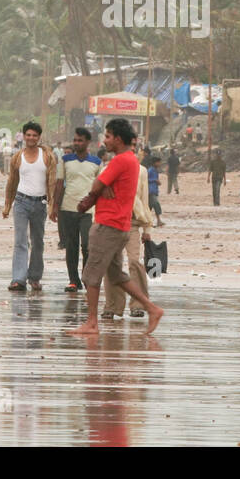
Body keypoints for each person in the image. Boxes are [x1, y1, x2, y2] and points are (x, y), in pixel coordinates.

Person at [67, 118, 164, 336]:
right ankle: (152, 308)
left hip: (108, 225)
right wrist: (103, 187)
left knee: (91, 274)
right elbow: (102, 184)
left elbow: (96, 184)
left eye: (108, 136)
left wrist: (101, 187)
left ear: (118, 139)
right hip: (120, 225)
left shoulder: (120, 161)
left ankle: (91, 323)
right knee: (118, 275)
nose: (105, 140)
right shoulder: (130, 161)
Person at [102, 143, 155, 321]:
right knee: (111, 264)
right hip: (112, 223)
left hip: (132, 223)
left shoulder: (142, 171)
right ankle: (112, 306)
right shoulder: (107, 169)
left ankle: (138, 305)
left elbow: (145, 199)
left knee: (134, 261)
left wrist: (147, 228)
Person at [2, 121, 57, 292]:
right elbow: (12, 182)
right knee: (20, 241)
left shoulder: (47, 156)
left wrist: (52, 206)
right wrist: (7, 205)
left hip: (40, 203)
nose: (31, 138)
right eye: (28, 135)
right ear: (24, 136)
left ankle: (34, 277)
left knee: (38, 242)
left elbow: (53, 183)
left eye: (34, 135)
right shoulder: (17, 157)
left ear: (39, 137)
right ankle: (18, 279)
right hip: (21, 202)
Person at [56, 128, 101, 293]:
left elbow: (99, 188)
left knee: (87, 246)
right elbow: (60, 183)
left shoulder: (96, 162)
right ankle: (73, 281)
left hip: (88, 211)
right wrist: (55, 207)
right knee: (71, 246)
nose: (76, 143)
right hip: (67, 208)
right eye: (75, 140)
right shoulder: (65, 160)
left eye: (80, 140)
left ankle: (86, 278)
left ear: (88, 142)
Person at [147, 155, 164, 227]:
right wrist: (155, 180)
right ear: (155, 163)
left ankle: (150, 222)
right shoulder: (150, 170)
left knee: (150, 207)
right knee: (156, 205)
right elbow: (145, 179)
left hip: (154, 190)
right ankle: (158, 221)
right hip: (150, 191)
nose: (160, 164)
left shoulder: (155, 170)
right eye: (159, 162)